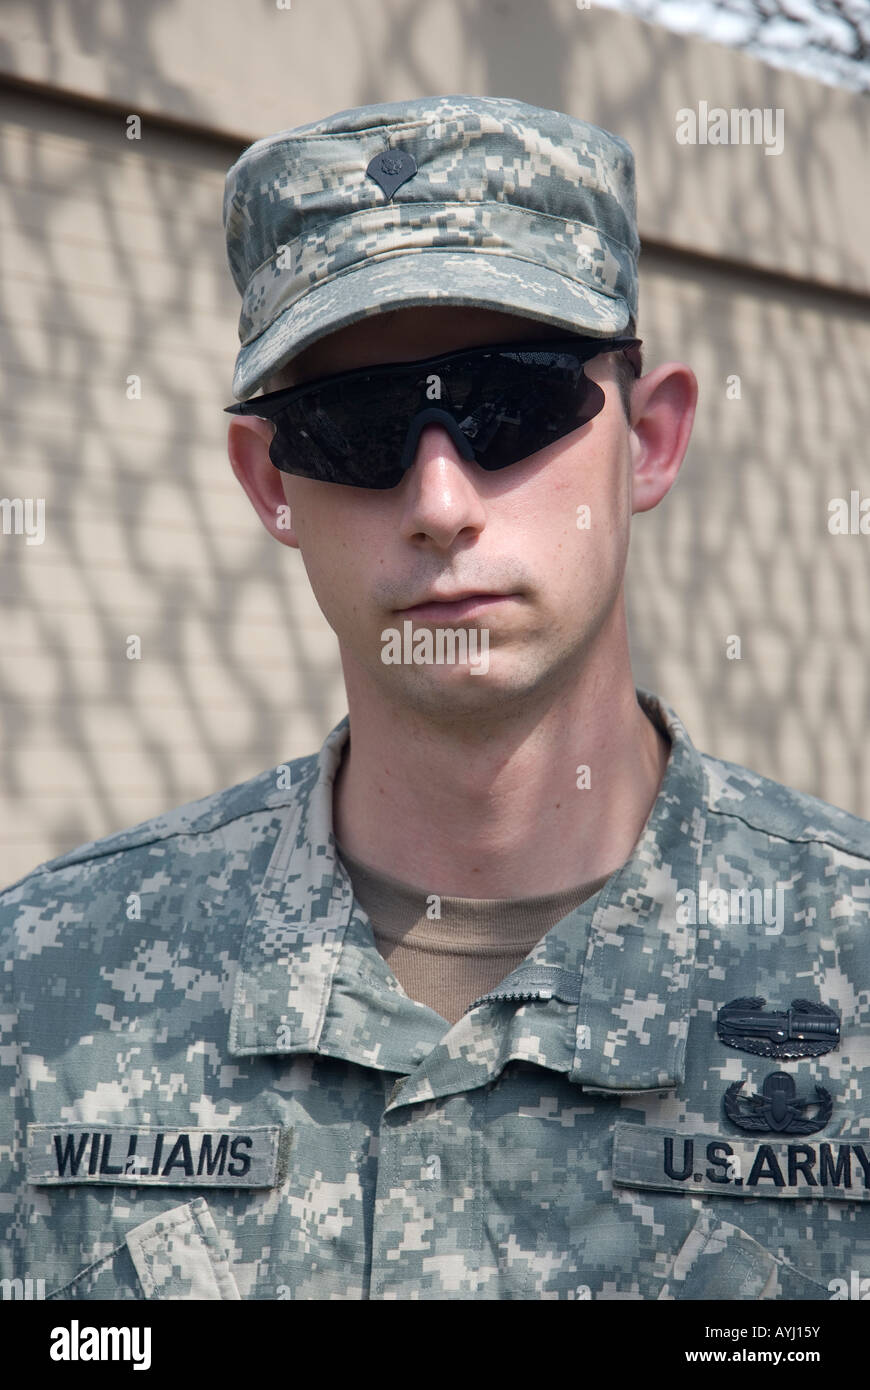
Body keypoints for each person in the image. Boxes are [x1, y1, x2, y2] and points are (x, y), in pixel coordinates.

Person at [1, 94, 868, 1302]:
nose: (443, 499)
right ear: (270, 484)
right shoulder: (43, 993)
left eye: (512, 398)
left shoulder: (847, 954)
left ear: (653, 441)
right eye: (354, 424)